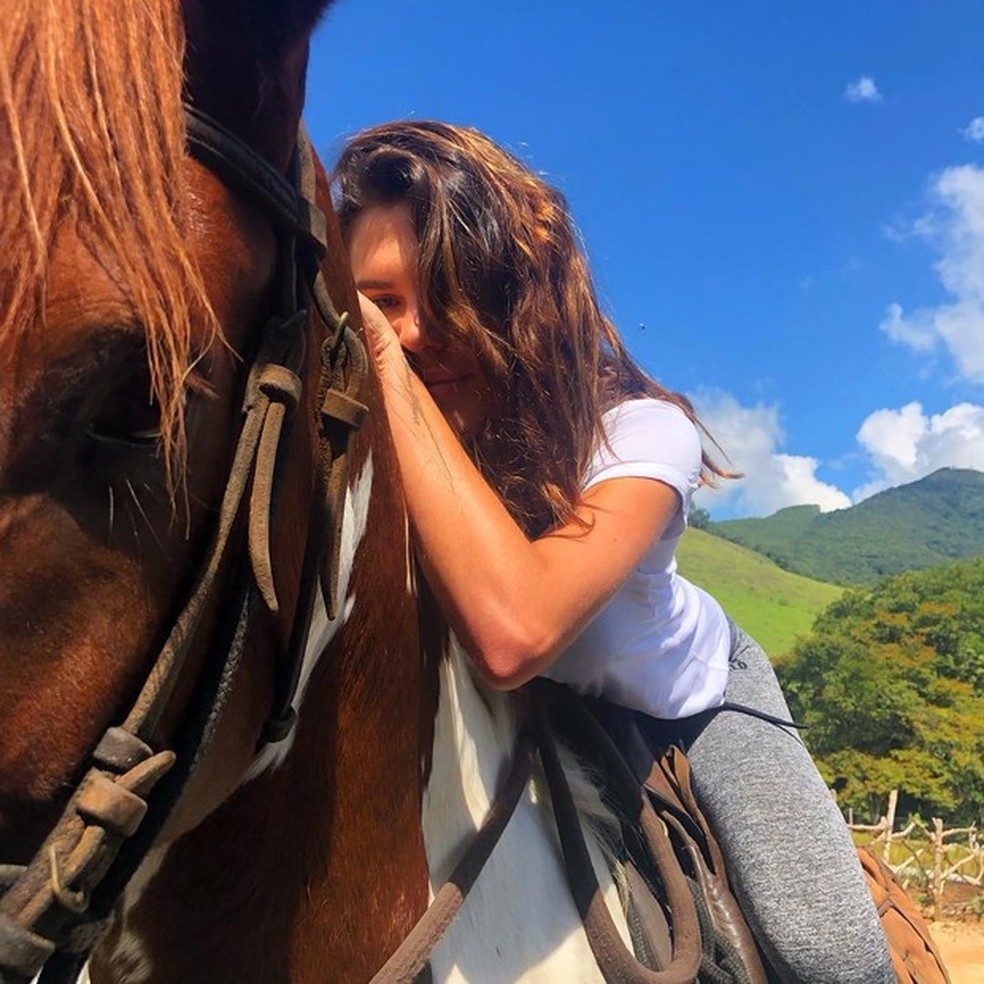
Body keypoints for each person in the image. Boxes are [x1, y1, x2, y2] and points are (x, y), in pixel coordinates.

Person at [332, 120, 894, 983]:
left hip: (682, 704)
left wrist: (373, 351)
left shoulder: (639, 431)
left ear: (515, 298)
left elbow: (515, 630)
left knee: (828, 951)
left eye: (444, 295)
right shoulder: (364, 432)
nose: (409, 334)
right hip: (509, 707)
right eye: (381, 301)